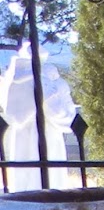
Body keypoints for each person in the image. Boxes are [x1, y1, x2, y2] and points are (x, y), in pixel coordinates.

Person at [0, 43, 76, 191]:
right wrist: (53, 92)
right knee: (48, 178)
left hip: (31, 134)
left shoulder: (11, 81)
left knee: (29, 178)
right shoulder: (42, 81)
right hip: (42, 132)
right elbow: (61, 114)